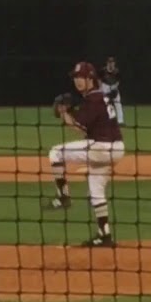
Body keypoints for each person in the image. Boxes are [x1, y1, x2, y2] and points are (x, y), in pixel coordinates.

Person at [47, 61, 126, 248]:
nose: (77, 81)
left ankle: (63, 196)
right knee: (96, 190)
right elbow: (86, 126)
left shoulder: (93, 98)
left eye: (81, 77)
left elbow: (78, 127)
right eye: (75, 77)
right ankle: (104, 235)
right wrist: (70, 112)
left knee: (56, 153)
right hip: (115, 148)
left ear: (90, 78)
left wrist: (64, 112)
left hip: (102, 147)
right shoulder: (99, 97)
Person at [98, 56, 125, 125]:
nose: (111, 64)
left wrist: (115, 87)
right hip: (105, 87)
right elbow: (99, 79)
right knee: (107, 105)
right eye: (109, 62)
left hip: (113, 87)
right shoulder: (103, 71)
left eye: (112, 62)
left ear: (114, 63)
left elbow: (118, 81)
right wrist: (101, 89)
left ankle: (120, 121)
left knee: (118, 103)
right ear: (107, 63)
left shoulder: (117, 71)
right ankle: (109, 121)